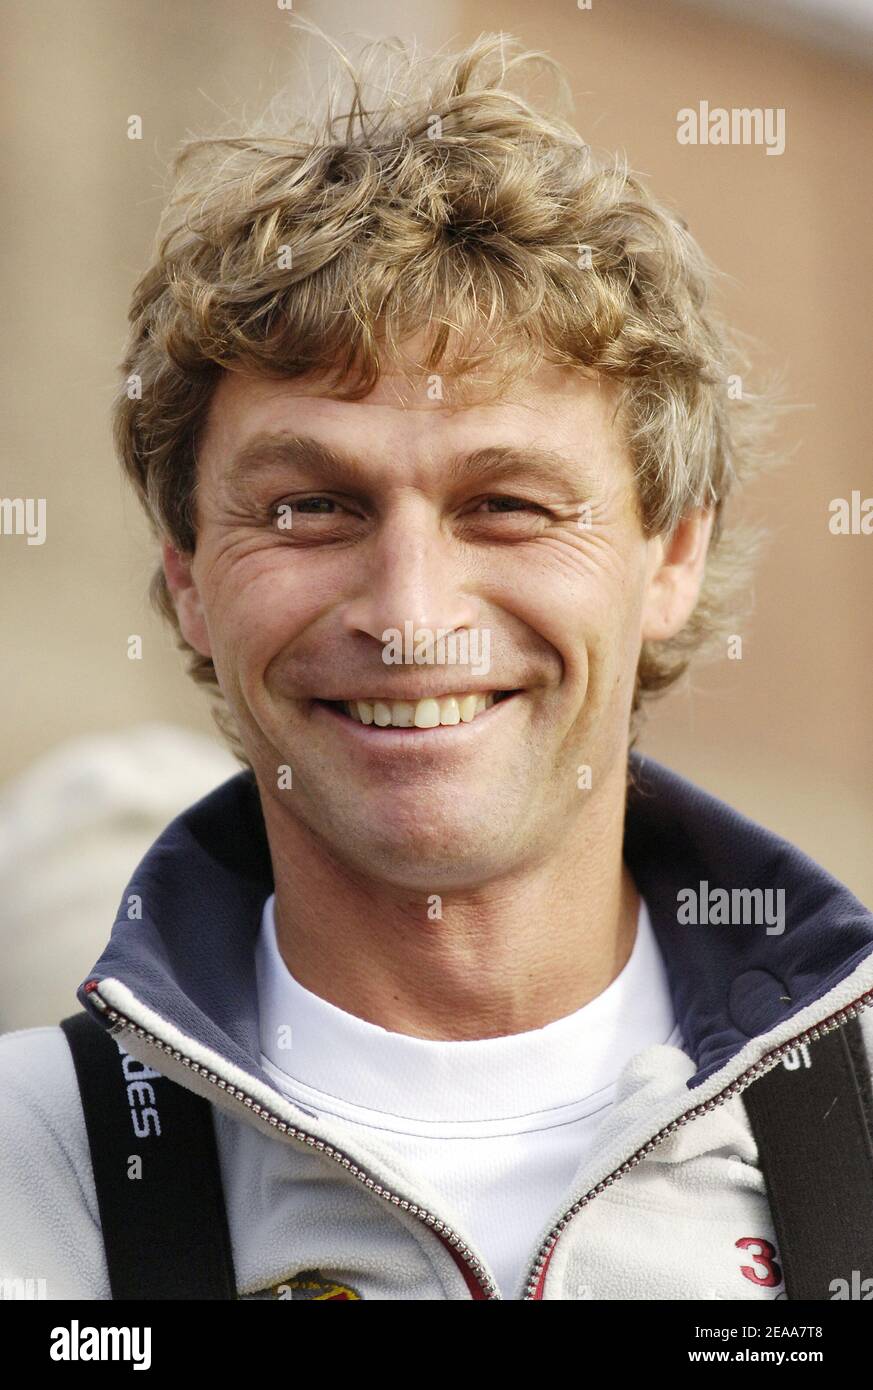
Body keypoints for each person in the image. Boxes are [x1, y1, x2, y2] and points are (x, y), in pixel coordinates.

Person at [1, 28, 871, 1302]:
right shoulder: (32, 1186)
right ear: (185, 575)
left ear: (672, 557)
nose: (409, 615)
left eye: (508, 504)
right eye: (310, 507)